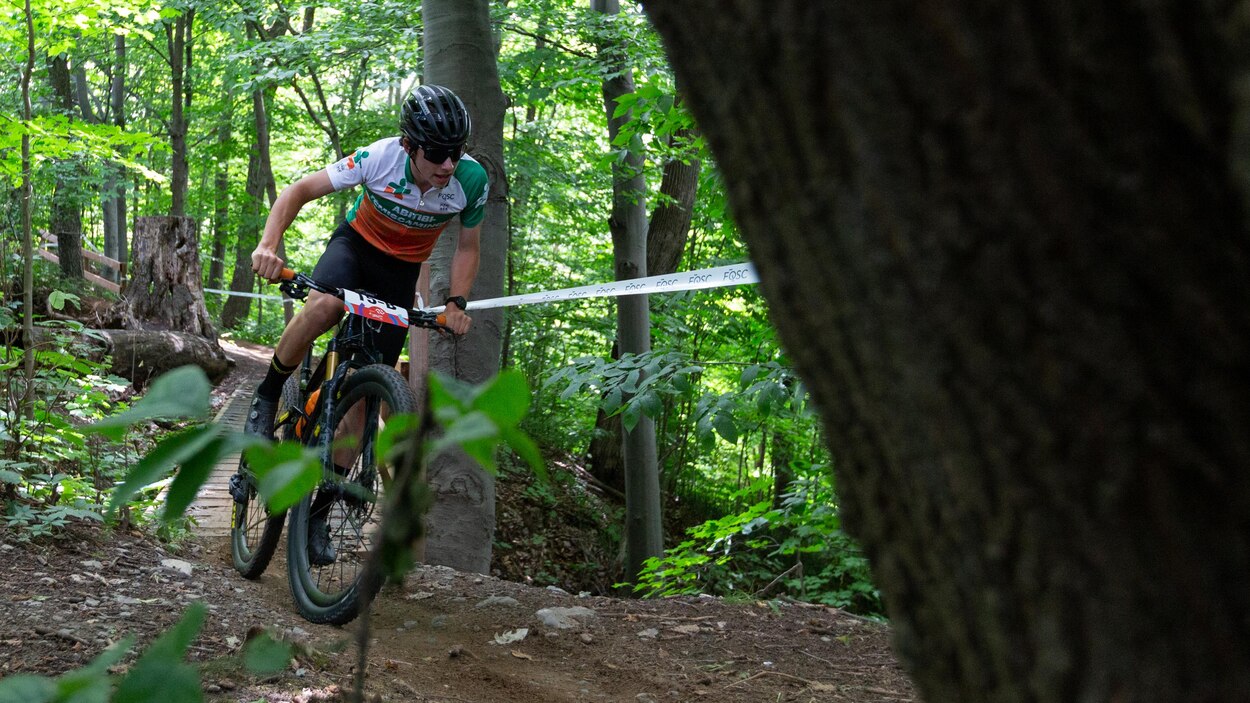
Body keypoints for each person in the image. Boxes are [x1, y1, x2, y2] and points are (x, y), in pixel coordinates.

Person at [242, 84, 488, 563]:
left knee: (363, 401)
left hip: (400, 274)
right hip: (355, 249)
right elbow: (299, 191)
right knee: (325, 308)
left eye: (456, 152)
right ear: (409, 146)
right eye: (436, 153)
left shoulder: (470, 180)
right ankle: (268, 395)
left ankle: (317, 517)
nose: (447, 164)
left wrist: (456, 302)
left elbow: (467, 247)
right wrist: (268, 246)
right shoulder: (379, 158)